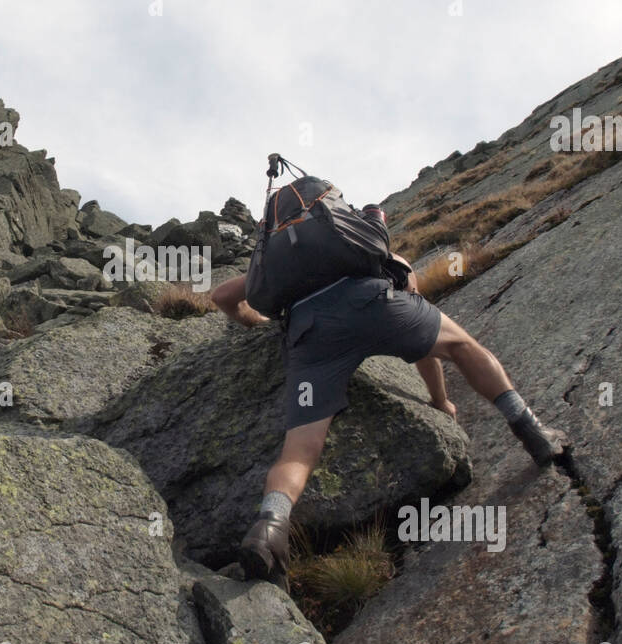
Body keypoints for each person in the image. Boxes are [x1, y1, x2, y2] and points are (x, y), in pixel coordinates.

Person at [210, 241, 569, 590]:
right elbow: (419, 336)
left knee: (299, 452)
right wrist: (440, 401)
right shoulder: (366, 245)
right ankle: (531, 430)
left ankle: (270, 524)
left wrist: (255, 322)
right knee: (463, 346)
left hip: (312, 335)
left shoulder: (278, 264)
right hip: (378, 305)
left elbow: (222, 298)